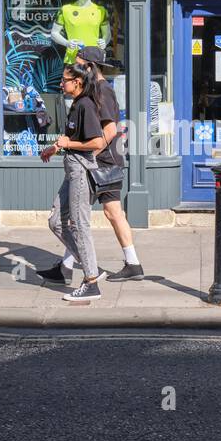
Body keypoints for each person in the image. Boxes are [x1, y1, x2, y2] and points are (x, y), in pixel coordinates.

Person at [64, 45, 144, 281]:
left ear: (90, 66)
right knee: (84, 215)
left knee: (107, 213)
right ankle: (66, 265)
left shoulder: (102, 90)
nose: (76, 67)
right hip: (98, 162)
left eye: (79, 63)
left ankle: (132, 263)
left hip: (103, 162)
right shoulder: (94, 88)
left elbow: (110, 129)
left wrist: (93, 151)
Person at [38, 62, 114, 301]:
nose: (61, 83)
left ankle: (91, 282)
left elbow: (97, 143)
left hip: (81, 172)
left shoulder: (86, 105)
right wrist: (54, 148)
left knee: (79, 225)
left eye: (65, 80)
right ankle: (92, 266)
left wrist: (67, 144)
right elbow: (71, 138)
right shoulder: (75, 105)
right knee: (55, 221)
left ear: (77, 82)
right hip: (71, 170)